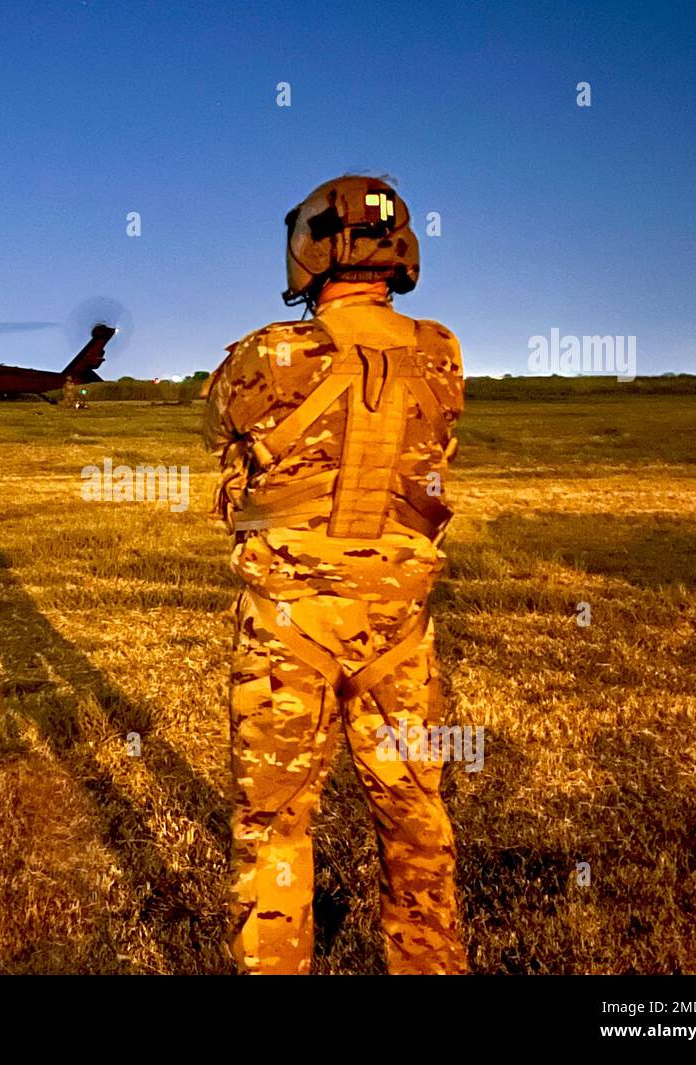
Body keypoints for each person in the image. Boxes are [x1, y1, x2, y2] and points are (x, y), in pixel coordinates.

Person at [204, 175, 467, 975]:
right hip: (400, 631)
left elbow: (221, 417)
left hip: (291, 631)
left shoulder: (267, 355)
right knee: (417, 819)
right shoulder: (443, 351)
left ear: (314, 248)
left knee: (276, 825)